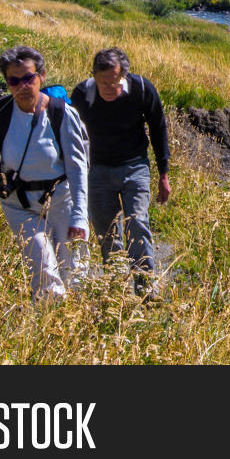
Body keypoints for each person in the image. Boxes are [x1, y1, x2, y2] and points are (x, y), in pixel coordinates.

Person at [0, 46, 89, 300]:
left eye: (28, 78)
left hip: (62, 202)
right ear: (7, 83)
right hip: (19, 206)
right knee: (45, 271)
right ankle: (51, 317)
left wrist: (80, 216)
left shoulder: (62, 114)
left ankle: (73, 319)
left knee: (74, 273)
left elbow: (78, 168)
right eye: (14, 81)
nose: (22, 86)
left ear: (42, 76)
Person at [71, 48, 170, 290]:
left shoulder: (142, 89)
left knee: (137, 223)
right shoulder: (82, 94)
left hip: (135, 166)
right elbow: (71, 136)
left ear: (124, 75)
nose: (109, 88)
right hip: (96, 170)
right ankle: (117, 290)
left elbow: (159, 129)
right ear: (94, 75)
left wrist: (163, 174)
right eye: (103, 82)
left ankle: (146, 288)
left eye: (114, 82)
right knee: (106, 233)